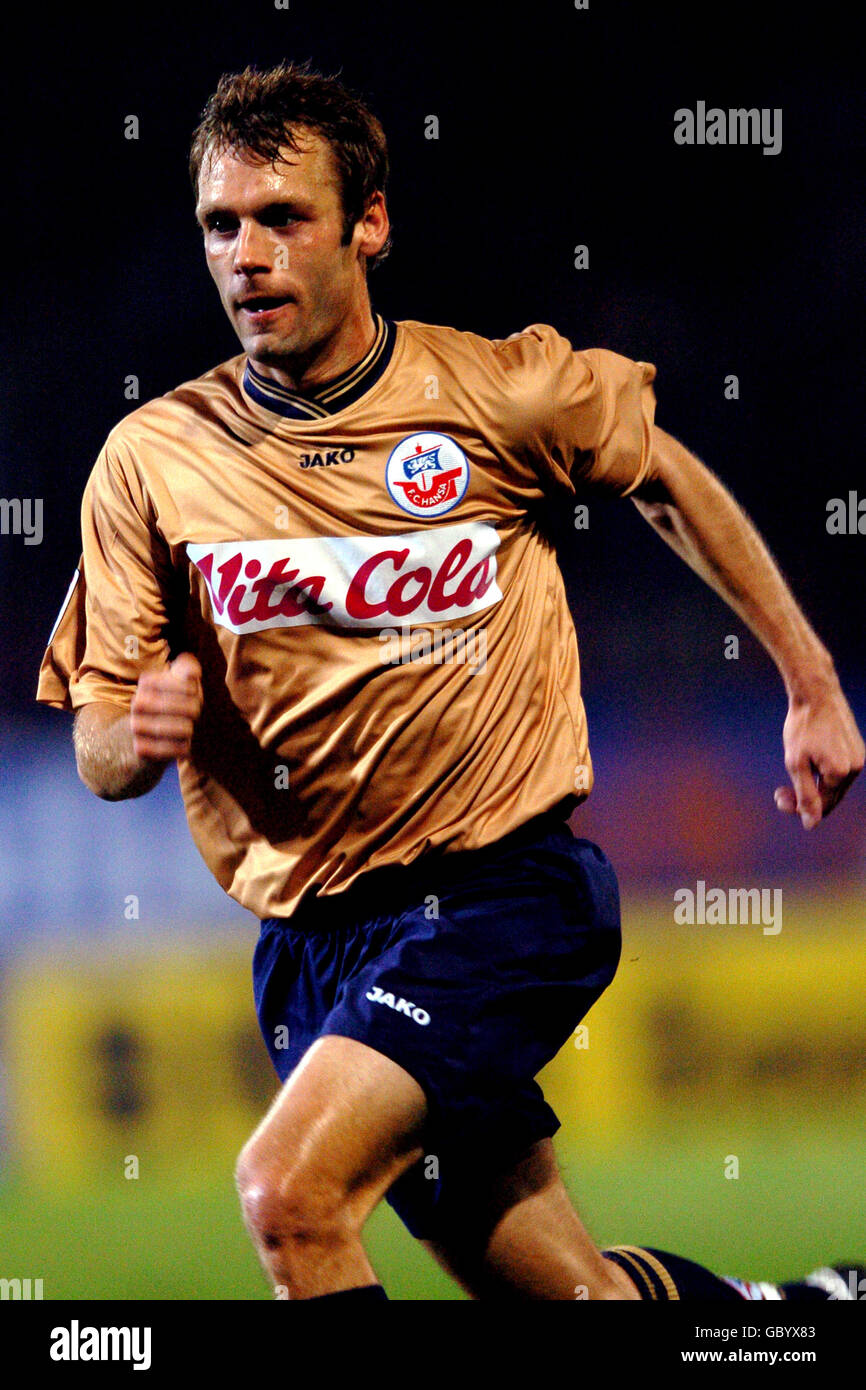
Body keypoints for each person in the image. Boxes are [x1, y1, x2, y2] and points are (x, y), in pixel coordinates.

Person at [37, 60, 864, 1302]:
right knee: (566, 1295)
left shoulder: (492, 392)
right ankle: (789, 1315)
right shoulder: (150, 461)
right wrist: (139, 736)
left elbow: (664, 477)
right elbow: (98, 740)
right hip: (309, 940)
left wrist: (806, 680)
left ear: (368, 224)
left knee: (289, 1197)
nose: (246, 256)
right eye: (220, 225)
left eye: (282, 219)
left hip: (497, 898)